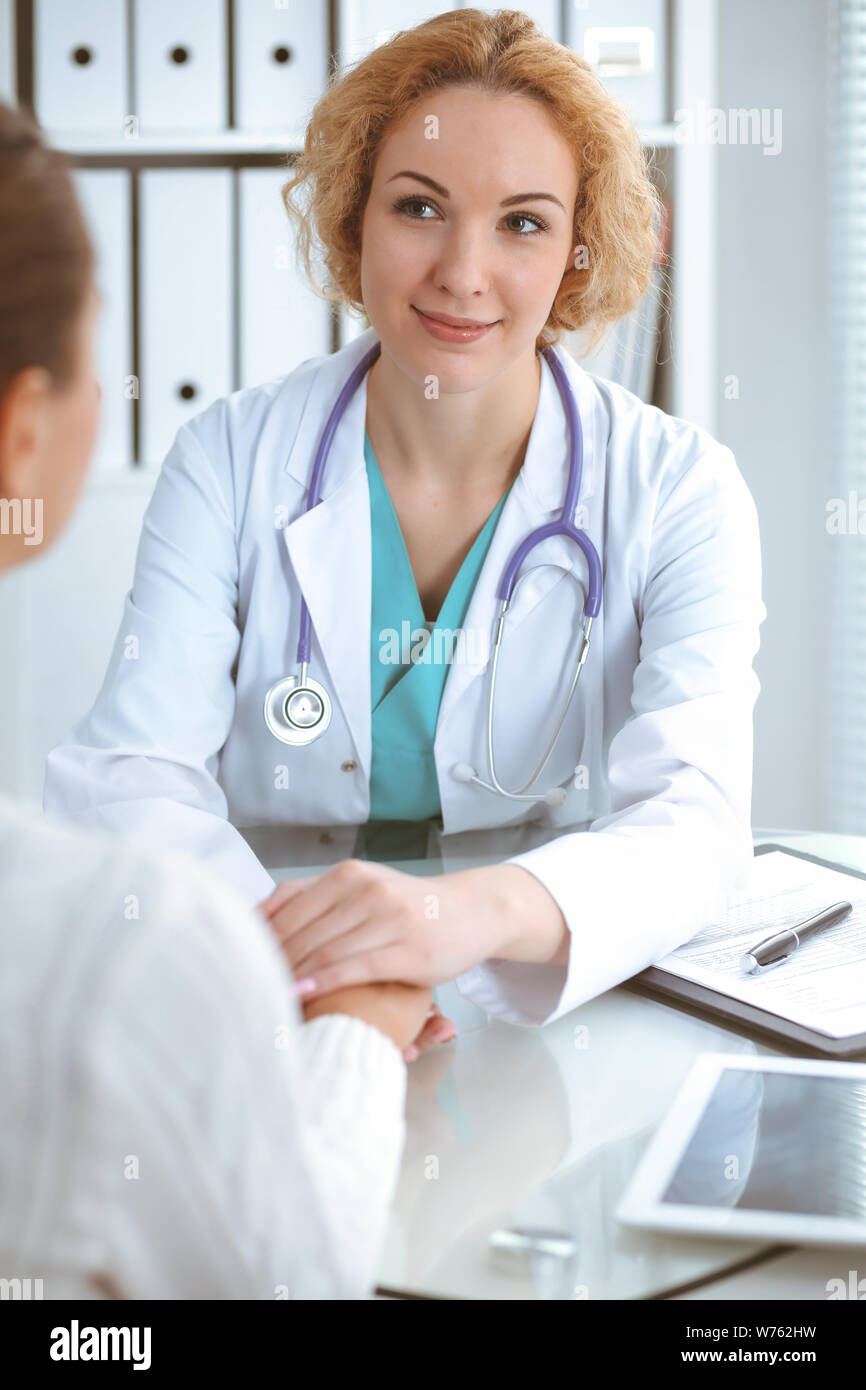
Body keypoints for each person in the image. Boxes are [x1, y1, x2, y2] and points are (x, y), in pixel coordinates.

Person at [43, 8, 766, 1028]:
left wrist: (464, 915)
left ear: (577, 250)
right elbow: (127, 776)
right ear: (353, 220)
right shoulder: (233, 458)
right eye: (419, 207)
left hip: (524, 970)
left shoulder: (677, 488)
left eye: (521, 221)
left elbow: (695, 825)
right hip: (257, 968)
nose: (461, 272)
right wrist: (311, 961)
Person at [0, 97, 439, 1299]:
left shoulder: (661, 479)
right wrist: (348, 1010)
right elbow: (290, 1282)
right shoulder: (104, 957)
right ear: (21, 428)